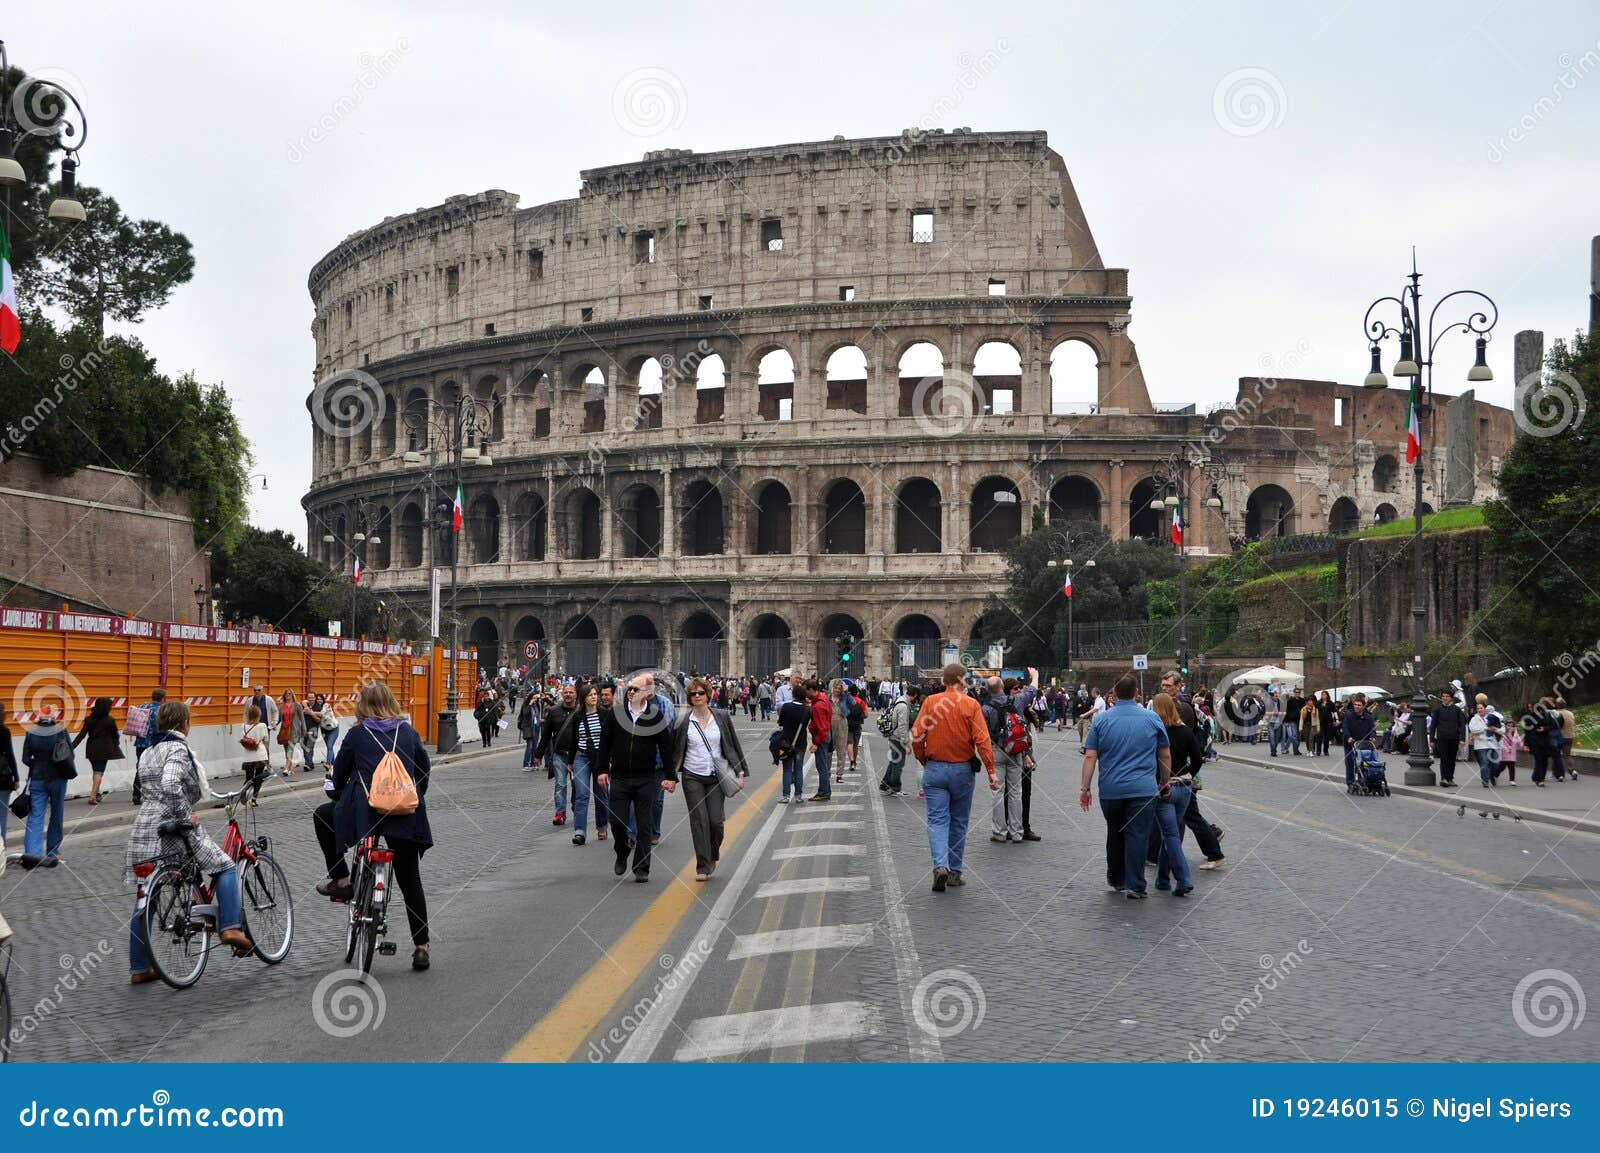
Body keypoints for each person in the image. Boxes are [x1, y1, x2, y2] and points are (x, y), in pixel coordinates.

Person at [126, 700, 253, 982]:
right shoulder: (177, 749)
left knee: (146, 895)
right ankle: (231, 926)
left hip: (146, 827)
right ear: (185, 725)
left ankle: (139, 968)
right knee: (224, 865)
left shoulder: (148, 751)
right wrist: (186, 816)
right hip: (173, 827)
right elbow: (171, 785)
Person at [323, 681, 435, 971]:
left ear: (362, 705)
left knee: (323, 815)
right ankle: (421, 947)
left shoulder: (357, 735)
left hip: (367, 814)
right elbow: (423, 769)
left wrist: (337, 794)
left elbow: (339, 778)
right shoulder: (408, 732)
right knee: (411, 880)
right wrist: (413, 796)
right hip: (406, 815)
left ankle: (344, 880)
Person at [1079, 674, 1170, 899]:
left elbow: (1090, 756)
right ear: (1137, 694)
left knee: (1115, 831)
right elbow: (1165, 754)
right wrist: (1164, 781)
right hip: (1143, 789)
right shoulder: (1152, 718)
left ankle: (1116, 877)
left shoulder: (1101, 720)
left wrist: (1085, 788)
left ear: (1114, 694)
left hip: (1111, 790)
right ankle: (1136, 884)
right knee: (1138, 835)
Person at [911, 663, 998, 892]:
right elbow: (983, 740)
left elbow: (917, 735)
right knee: (958, 822)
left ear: (943, 681)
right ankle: (955, 871)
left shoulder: (930, 702)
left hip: (935, 768)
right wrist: (991, 770)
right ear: (963, 681)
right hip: (962, 770)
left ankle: (940, 865)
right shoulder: (971, 705)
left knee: (937, 821)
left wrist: (923, 760)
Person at [670, 679, 750, 881]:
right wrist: (669, 776)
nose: (697, 697)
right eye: (693, 694)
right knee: (700, 821)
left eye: (700, 693)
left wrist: (740, 771)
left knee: (715, 821)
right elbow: (674, 750)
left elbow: (732, 744)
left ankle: (713, 853)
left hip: (716, 776)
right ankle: (703, 865)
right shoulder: (683, 721)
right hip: (692, 775)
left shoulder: (721, 716)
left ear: (708, 695)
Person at [600, 674, 675, 882]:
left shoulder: (655, 716)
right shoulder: (616, 714)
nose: (631, 692)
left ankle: (642, 867)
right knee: (616, 821)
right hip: (621, 778)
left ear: (648, 693)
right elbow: (605, 744)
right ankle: (622, 850)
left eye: (636, 689)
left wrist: (671, 776)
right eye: (630, 689)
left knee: (644, 825)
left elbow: (666, 747)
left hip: (645, 778)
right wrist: (601, 770)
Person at [1151, 693, 1197, 896]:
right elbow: (1198, 758)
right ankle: (1162, 879)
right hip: (1185, 788)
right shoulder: (1186, 731)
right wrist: (1188, 775)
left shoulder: (1155, 732)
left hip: (1165, 788)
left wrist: (1160, 781)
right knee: (1170, 835)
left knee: (1170, 835)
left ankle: (1184, 879)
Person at [19, 707, 75, 869]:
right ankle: (52, 852)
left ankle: (32, 853)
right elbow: (70, 754)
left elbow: (25, 758)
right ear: (53, 718)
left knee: (35, 815)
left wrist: (36, 765)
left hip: (37, 779)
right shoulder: (60, 731)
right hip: (58, 778)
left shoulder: (31, 733)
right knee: (57, 814)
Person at [556, 683, 609, 842]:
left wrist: (609, 761)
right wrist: (571, 761)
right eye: (590, 695)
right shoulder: (578, 716)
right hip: (581, 757)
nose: (594, 697)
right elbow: (574, 740)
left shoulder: (605, 714)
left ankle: (602, 827)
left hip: (600, 758)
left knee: (601, 795)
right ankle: (580, 831)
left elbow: (609, 740)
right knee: (581, 794)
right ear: (584, 698)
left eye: (595, 694)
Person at [983, 676, 1030, 844]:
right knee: (1016, 792)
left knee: (997, 792)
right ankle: (1017, 832)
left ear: (988, 690)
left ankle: (999, 832)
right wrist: (1036, 676)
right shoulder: (1016, 701)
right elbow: (1032, 691)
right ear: (1002, 686)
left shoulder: (986, 708)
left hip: (996, 750)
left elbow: (983, 734)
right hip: (1015, 750)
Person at [73, 696, 122, 805]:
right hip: (104, 749)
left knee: (96, 771)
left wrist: (72, 746)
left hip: (91, 748)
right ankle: (92, 796)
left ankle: (97, 793)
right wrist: (116, 745)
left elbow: (81, 735)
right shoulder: (110, 720)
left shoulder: (89, 719)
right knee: (99, 772)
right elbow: (115, 735)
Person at [775, 683, 810, 803]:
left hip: (786, 742)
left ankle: (785, 795)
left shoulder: (786, 707)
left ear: (793, 695)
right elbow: (806, 724)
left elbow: (780, 722)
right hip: (800, 743)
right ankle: (798, 795)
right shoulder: (807, 709)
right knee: (799, 769)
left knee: (787, 769)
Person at [879, 685, 915, 797]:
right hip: (898, 738)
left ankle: (885, 785)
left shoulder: (899, 700)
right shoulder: (904, 706)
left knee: (894, 762)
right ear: (914, 695)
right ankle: (895, 788)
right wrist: (907, 743)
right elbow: (903, 727)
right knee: (898, 763)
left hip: (893, 736)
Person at [1428, 689, 1467, 788]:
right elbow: (1433, 725)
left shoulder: (1457, 710)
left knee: (1452, 759)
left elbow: (1462, 725)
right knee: (1444, 759)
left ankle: (1450, 778)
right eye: (1443, 696)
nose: (1444, 698)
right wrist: (1432, 739)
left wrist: (1462, 739)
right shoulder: (1437, 710)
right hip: (1442, 738)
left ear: (1451, 698)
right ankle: (1444, 778)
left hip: (1454, 738)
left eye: (1447, 696)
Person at [1340, 693, 1376, 788]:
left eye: (1359, 705)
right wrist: (1348, 737)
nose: (1356, 706)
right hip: (1350, 742)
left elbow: (1372, 729)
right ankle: (1350, 782)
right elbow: (1345, 727)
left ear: (1364, 706)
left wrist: (1372, 736)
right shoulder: (1348, 715)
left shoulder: (1368, 717)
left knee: (1363, 762)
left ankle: (1362, 780)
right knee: (1350, 762)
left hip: (1363, 743)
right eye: (1355, 704)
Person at [808, 681, 835, 801]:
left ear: (811, 689)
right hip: (825, 736)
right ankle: (825, 790)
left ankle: (824, 792)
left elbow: (822, 728)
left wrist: (816, 743)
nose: (805, 693)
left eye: (806, 690)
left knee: (822, 766)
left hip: (821, 738)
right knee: (823, 765)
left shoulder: (818, 705)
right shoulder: (823, 697)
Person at [239, 705, 271, 804]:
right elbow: (266, 739)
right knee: (259, 777)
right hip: (260, 754)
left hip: (248, 755)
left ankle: (243, 792)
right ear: (258, 715)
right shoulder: (262, 726)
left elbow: (243, 739)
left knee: (249, 778)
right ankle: (254, 799)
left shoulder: (243, 726)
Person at [1468, 700, 1503, 787]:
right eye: (1477, 708)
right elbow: (1473, 729)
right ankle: (1485, 781)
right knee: (1484, 763)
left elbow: (1502, 730)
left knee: (1496, 763)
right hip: (1481, 745)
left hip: (1493, 745)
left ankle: (1492, 776)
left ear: (1485, 709)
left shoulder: (1493, 718)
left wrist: (1495, 729)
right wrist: (1485, 728)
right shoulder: (1474, 719)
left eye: (1481, 708)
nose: (1479, 710)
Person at [277, 689, 306, 776]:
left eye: (289, 693)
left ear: (292, 695)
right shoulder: (282, 706)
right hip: (284, 730)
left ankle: (286, 768)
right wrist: (274, 724)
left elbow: (302, 718)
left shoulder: (297, 705)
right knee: (286, 749)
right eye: (286, 694)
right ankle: (290, 768)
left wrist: (304, 729)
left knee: (290, 748)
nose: (288, 695)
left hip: (294, 730)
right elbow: (278, 719)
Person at [0, 716, 17, 849]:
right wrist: (16, 777)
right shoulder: (4, 731)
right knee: (2, 817)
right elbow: (10, 755)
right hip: (3, 779)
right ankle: (1, 849)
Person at [517, 692, 541, 773]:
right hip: (528, 728)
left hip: (536, 727)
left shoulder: (537, 706)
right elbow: (525, 714)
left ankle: (533, 764)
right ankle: (525, 764)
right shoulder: (526, 706)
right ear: (530, 698)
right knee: (529, 747)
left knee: (535, 747)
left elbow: (537, 716)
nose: (535, 699)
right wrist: (530, 704)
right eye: (533, 698)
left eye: (536, 698)